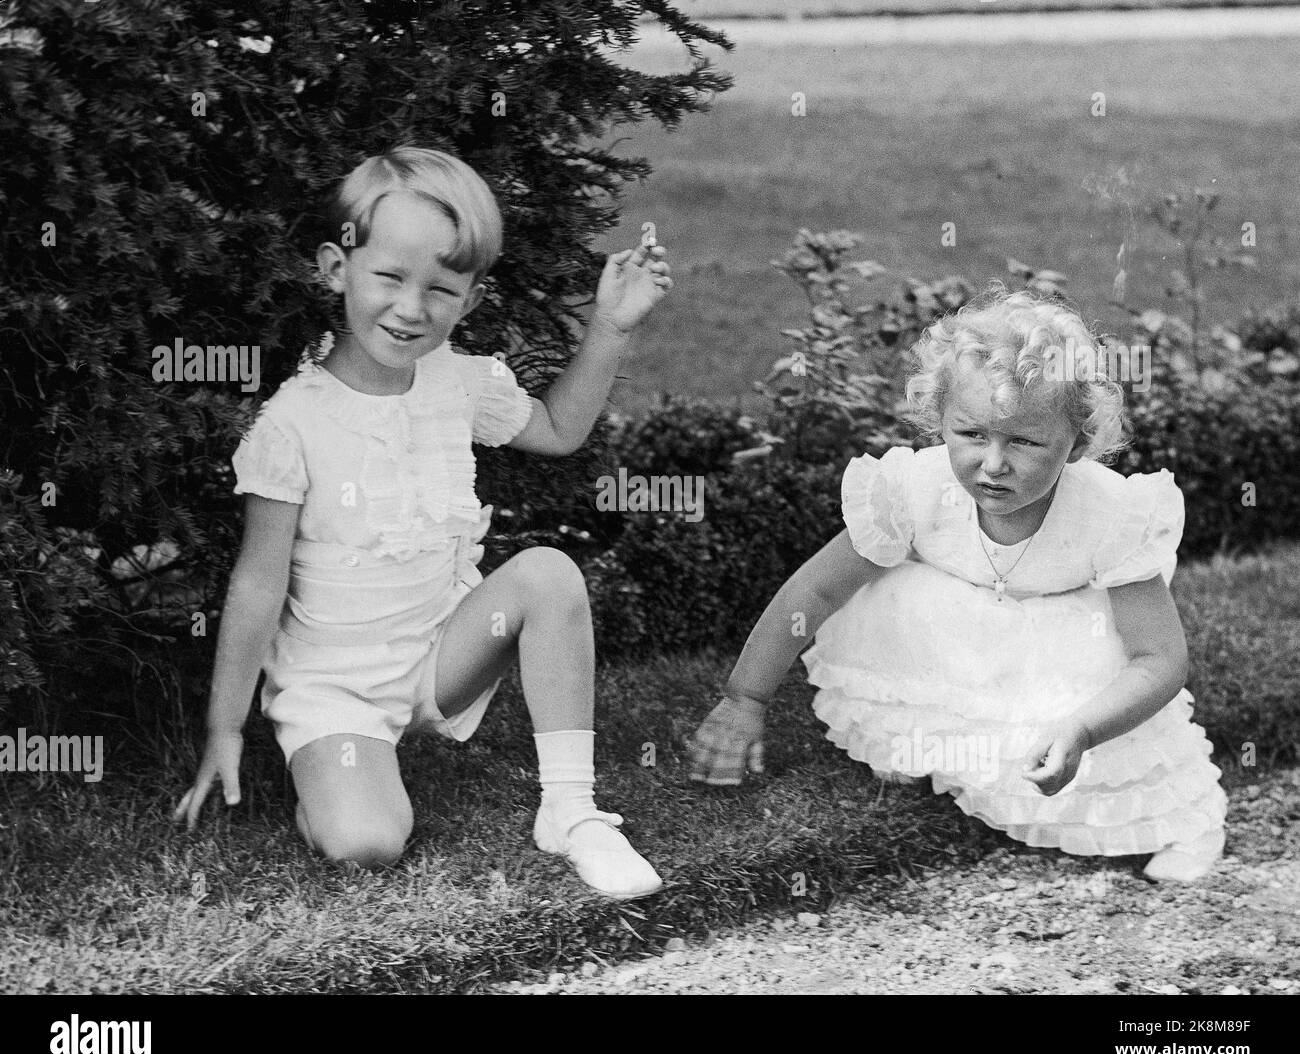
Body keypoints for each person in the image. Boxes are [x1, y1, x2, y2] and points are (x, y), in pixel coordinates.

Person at [175, 146, 672, 900]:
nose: (412, 309)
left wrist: (610, 325)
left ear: (470, 301)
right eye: (389, 279)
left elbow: (561, 430)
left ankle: (571, 811)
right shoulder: (293, 422)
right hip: (335, 687)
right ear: (336, 269)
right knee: (367, 843)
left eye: (441, 289)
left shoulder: (459, 383)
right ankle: (335, 779)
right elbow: (256, 584)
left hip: (440, 652)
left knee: (548, 573)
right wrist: (225, 728)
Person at [687, 287, 1226, 883]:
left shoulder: (1110, 515)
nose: (993, 464)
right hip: (950, 642)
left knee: (1094, 765)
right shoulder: (914, 491)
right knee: (894, 589)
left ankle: (1192, 821)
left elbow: (1159, 658)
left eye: (1023, 441)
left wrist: (1083, 728)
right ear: (939, 419)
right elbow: (812, 594)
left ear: (1076, 444)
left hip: (1055, 654)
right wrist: (745, 700)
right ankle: (934, 737)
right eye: (971, 434)